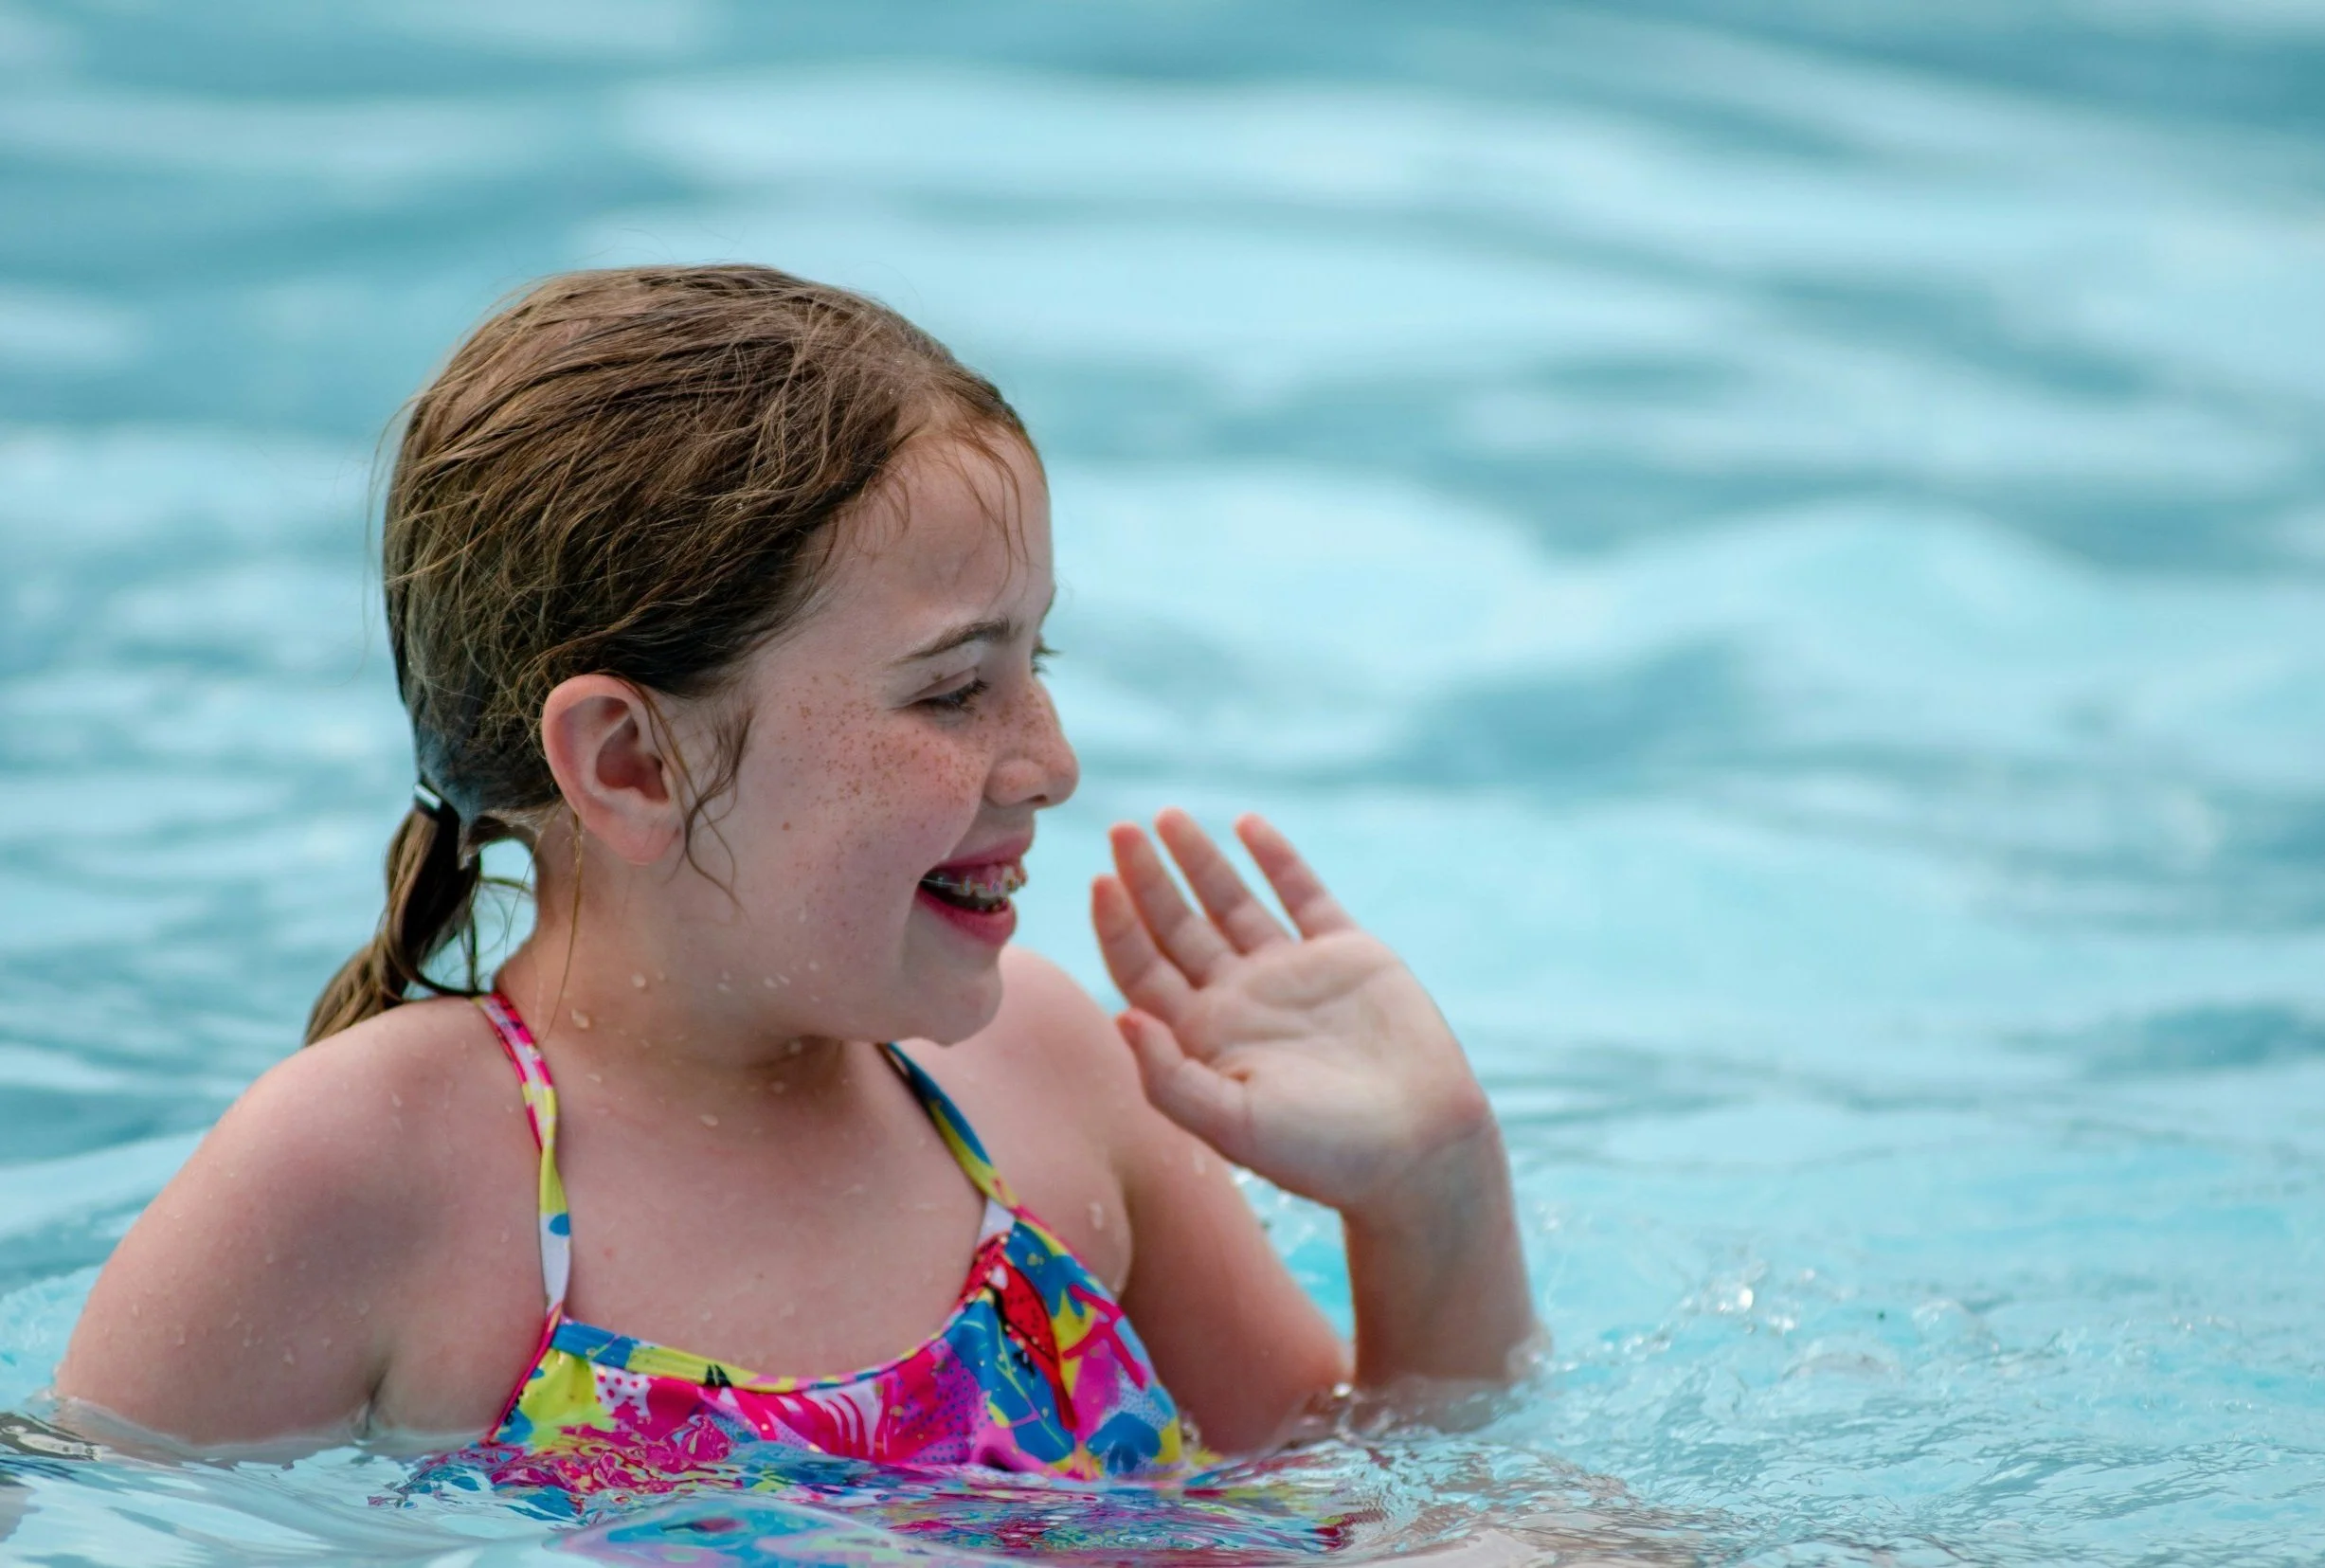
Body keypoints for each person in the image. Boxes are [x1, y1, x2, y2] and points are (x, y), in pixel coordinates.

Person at [52, 265, 1536, 1488]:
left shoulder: (1047, 1077)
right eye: (955, 692)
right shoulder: (370, 1173)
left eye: (1040, 661)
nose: (1051, 758)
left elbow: (1380, 1497)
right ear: (632, 762)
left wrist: (1432, 1191)